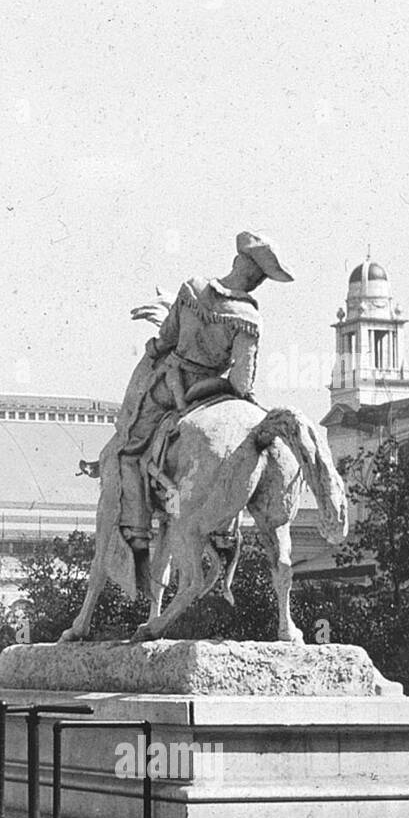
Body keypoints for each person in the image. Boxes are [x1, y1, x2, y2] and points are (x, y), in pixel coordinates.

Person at [117, 231, 293, 585]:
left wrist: (154, 353)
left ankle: (137, 532)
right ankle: (225, 529)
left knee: (130, 450)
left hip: (168, 388)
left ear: (236, 262)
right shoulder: (248, 318)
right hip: (210, 393)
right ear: (257, 278)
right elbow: (242, 384)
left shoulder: (191, 288)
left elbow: (166, 339)